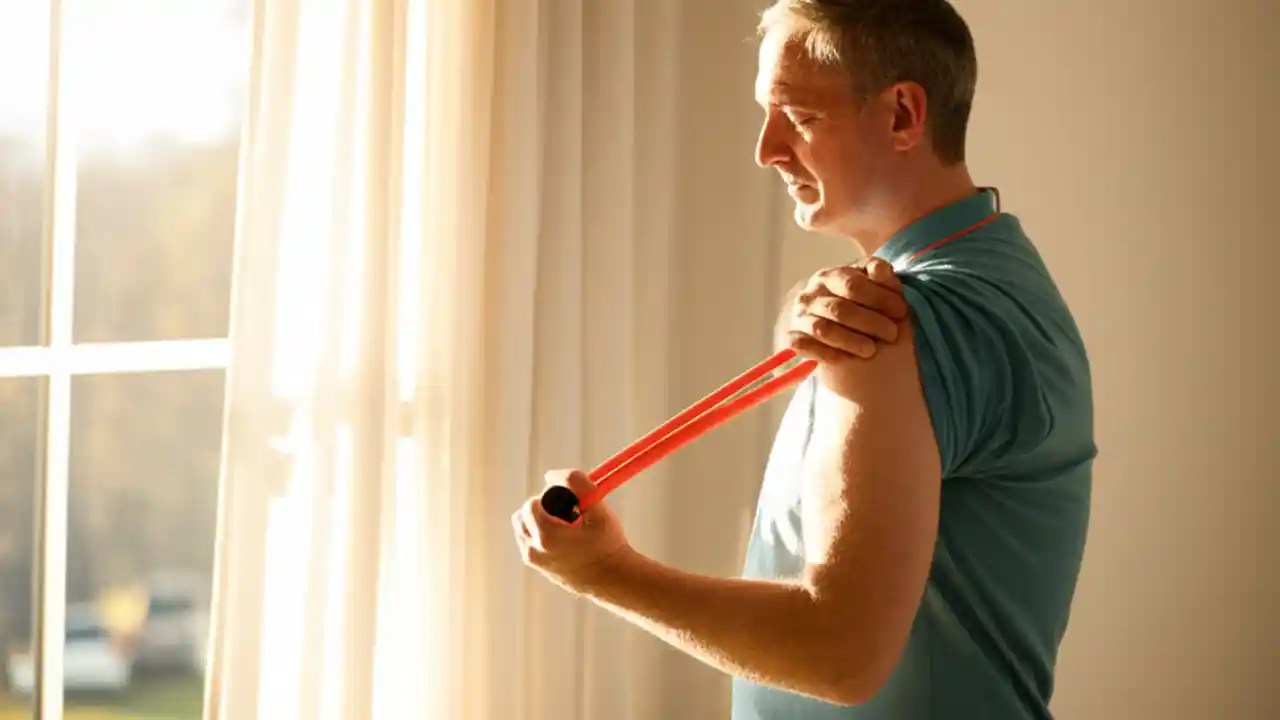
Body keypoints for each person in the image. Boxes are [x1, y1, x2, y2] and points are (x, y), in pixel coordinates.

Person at [511, 1, 1095, 717]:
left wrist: (604, 572)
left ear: (904, 116)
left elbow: (839, 654)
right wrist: (801, 311)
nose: (766, 147)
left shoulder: (897, 325)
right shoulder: (990, 275)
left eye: (798, 115)